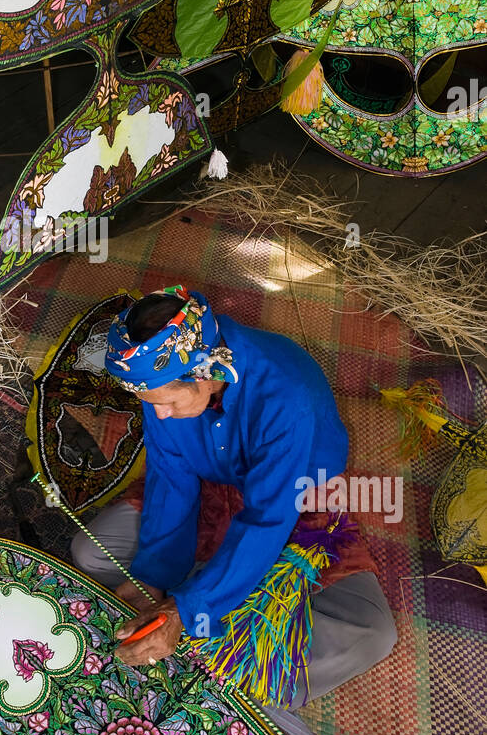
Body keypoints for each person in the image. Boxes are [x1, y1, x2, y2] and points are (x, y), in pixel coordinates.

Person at [70, 284, 397, 706]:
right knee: (90, 552)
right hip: (212, 481)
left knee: (372, 633)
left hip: (294, 494)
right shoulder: (164, 379)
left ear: (206, 374)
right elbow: (171, 478)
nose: (159, 414)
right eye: (151, 403)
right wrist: (152, 576)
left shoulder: (285, 394)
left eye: (168, 403)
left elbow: (267, 518)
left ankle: (222, 647)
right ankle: (207, 602)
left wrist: (183, 610)